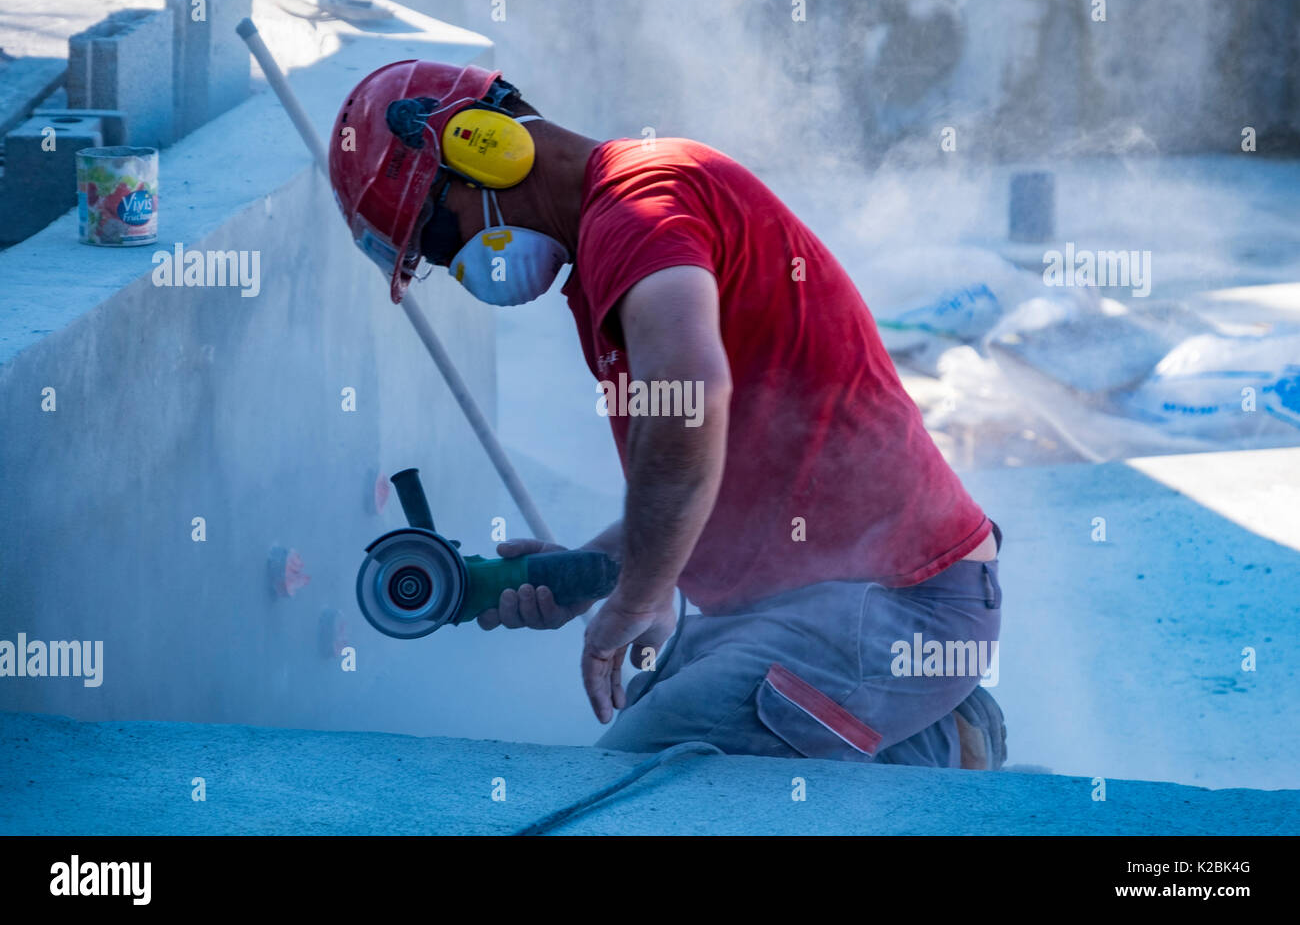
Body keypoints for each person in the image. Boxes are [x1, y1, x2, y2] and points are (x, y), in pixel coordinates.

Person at [329, 60, 1007, 769]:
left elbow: (690, 399)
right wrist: (599, 568)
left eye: (438, 240)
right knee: (682, 754)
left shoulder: (638, 209)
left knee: (642, 786)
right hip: (820, 606)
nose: (462, 267)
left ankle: (930, 727)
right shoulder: (612, 242)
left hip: (891, 606)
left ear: (479, 146)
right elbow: (721, 465)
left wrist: (642, 593)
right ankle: (935, 740)